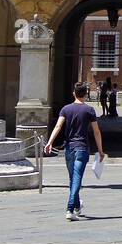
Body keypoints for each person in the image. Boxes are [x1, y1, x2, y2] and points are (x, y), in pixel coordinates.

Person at [44, 83, 105, 221]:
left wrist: (49, 142)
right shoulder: (89, 110)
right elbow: (96, 131)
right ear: (86, 94)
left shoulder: (66, 109)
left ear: (74, 93)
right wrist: (100, 150)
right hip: (82, 148)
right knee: (77, 178)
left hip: (69, 149)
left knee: (73, 178)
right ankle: (70, 208)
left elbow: (58, 126)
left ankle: (77, 206)